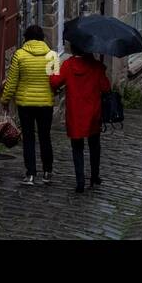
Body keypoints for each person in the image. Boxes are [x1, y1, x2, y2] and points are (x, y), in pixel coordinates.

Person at [0, 24, 58, 185]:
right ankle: (47, 172)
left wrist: (5, 100)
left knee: (29, 138)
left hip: (25, 103)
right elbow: (56, 81)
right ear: (42, 38)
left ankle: (31, 174)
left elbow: (12, 82)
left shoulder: (20, 55)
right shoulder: (52, 56)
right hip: (45, 103)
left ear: (26, 38)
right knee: (45, 137)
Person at [48, 42, 110, 193]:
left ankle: (80, 181)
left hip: (75, 113)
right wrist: (101, 70)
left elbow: (54, 82)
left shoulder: (68, 65)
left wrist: (52, 62)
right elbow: (106, 88)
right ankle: (94, 175)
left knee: (77, 148)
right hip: (93, 112)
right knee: (94, 146)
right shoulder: (96, 66)